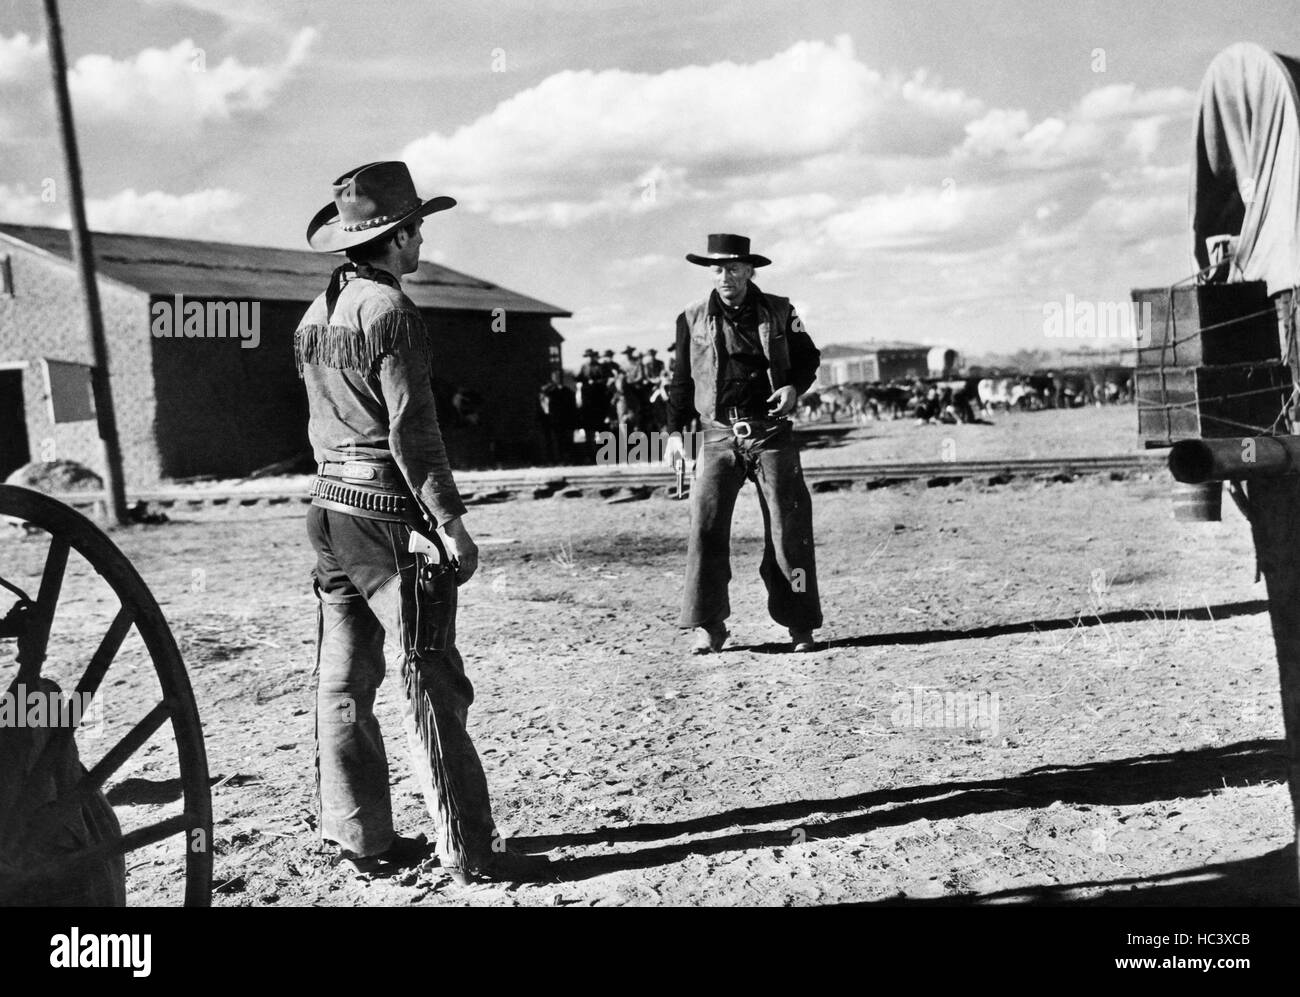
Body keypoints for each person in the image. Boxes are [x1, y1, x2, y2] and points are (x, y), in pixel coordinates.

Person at [295, 160, 546, 883]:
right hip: (388, 520)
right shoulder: (392, 313)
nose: (422, 243)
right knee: (430, 674)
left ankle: (358, 836)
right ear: (394, 236)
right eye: (417, 231)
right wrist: (451, 522)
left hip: (330, 513)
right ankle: (471, 848)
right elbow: (413, 435)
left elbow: (322, 424)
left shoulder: (316, 316)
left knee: (343, 682)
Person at [663, 233, 823, 654]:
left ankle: (800, 627)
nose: (725, 277)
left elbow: (810, 357)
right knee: (706, 529)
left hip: (771, 435)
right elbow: (681, 380)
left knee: (789, 528)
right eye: (717, 269)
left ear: (750, 271)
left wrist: (793, 386)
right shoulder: (690, 318)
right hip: (717, 436)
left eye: (734, 268)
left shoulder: (783, 311)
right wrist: (677, 434)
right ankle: (708, 626)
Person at [539, 369, 577, 463]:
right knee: (558, 440)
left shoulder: (567, 392)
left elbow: (572, 406)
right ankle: (560, 458)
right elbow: (543, 395)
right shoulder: (550, 391)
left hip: (565, 419)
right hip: (555, 419)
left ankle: (567, 458)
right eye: (555, 377)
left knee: (566, 440)